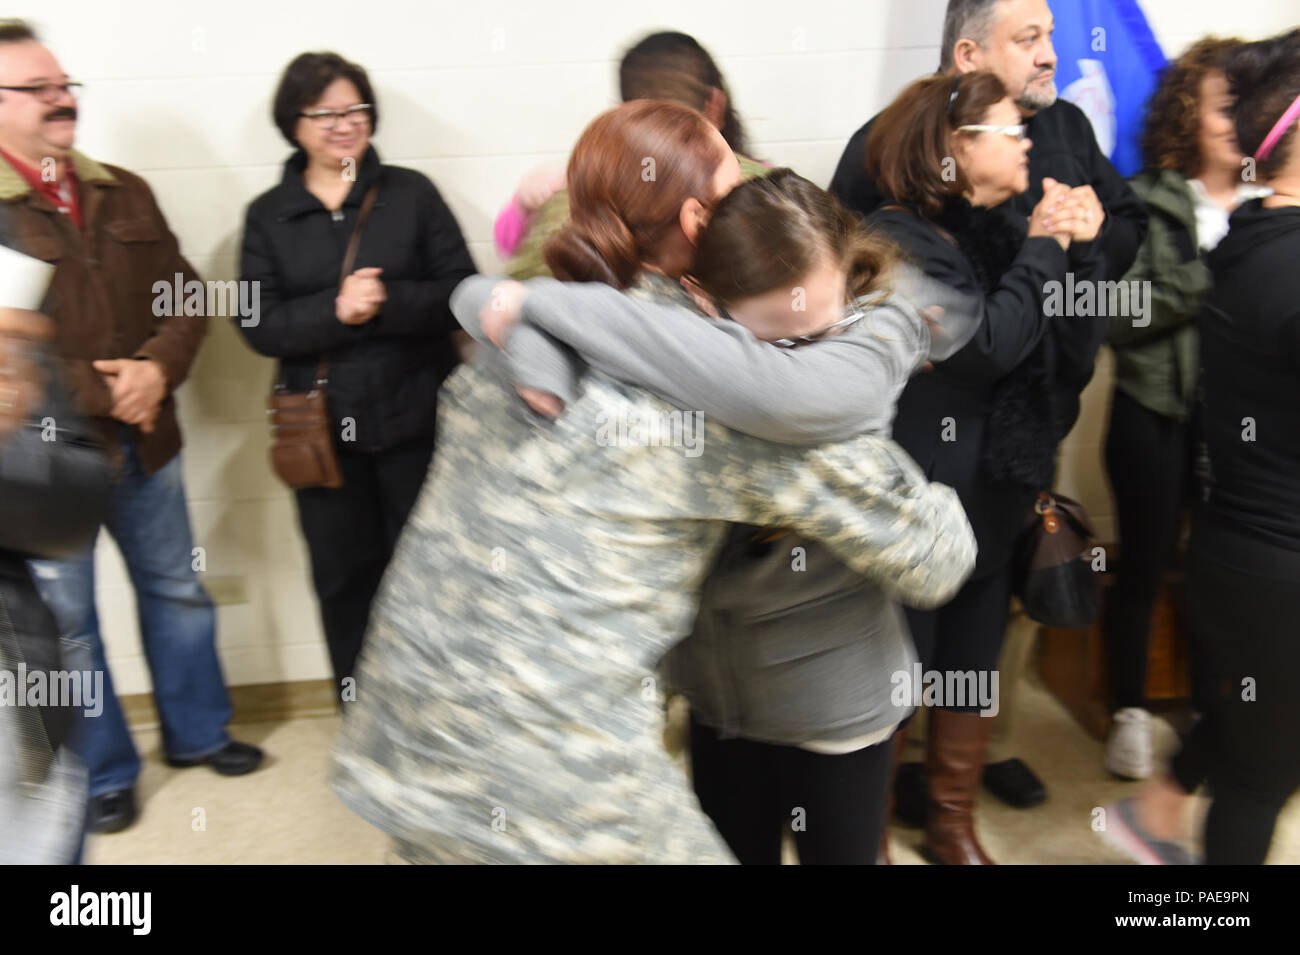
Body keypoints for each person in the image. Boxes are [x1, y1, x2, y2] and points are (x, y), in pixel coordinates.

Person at [329, 100, 978, 864]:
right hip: (563, 783)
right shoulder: (727, 395)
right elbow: (935, 556)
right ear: (703, 220)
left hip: (409, 740)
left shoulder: (518, 332)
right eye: (737, 188)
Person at [831, 0, 1148, 817]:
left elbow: (1126, 229)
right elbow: (973, 335)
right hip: (922, 456)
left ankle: (950, 812)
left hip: (1024, 436)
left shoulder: (1068, 128)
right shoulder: (889, 163)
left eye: (1051, 35)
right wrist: (1045, 238)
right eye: (1029, 39)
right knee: (905, 644)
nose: (1051, 54)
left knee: (978, 635)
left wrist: (1093, 229)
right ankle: (881, 804)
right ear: (970, 57)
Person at [0, 18, 262, 835]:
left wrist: (155, 371)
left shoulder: (123, 188)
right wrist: (106, 389)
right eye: (37, 90)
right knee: (71, 624)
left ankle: (198, 733)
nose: (60, 101)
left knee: (178, 590)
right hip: (47, 464)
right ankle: (105, 772)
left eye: (64, 85)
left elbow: (183, 292)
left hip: (150, 442)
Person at [862, 71, 1106, 863]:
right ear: (956, 147)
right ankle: (863, 832)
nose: (1030, 138)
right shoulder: (893, 241)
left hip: (997, 490)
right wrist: (1045, 242)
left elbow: (1062, 345)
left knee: (972, 662)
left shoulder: (998, 224)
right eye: (1012, 127)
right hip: (923, 505)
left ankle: (950, 820)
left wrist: (1078, 243)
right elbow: (988, 345)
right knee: (902, 671)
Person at [1105, 28, 1300, 866]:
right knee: (1263, 774)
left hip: (1242, 550)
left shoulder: (1255, 237)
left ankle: (1152, 813)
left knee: (1249, 721)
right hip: (1271, 562)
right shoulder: (1281, 265)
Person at [238, 52, 476, 699]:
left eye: (355, 110)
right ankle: (363, 712)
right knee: (343, 579)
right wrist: (336, 311)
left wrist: (388, 302)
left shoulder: (411, 193)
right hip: (320, 435)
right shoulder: (270, 215)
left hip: (416, 418)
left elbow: (463, 292)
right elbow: (257, 325)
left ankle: (438, 712)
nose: (343, 124)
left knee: (430, 571)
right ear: (294, 124)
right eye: (325, 113)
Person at [495, 30, 767, 277]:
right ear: (716, 105)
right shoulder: (771, 192)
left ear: (623, 112)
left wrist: (522, 206)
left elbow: (511, 272)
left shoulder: (576, 186)